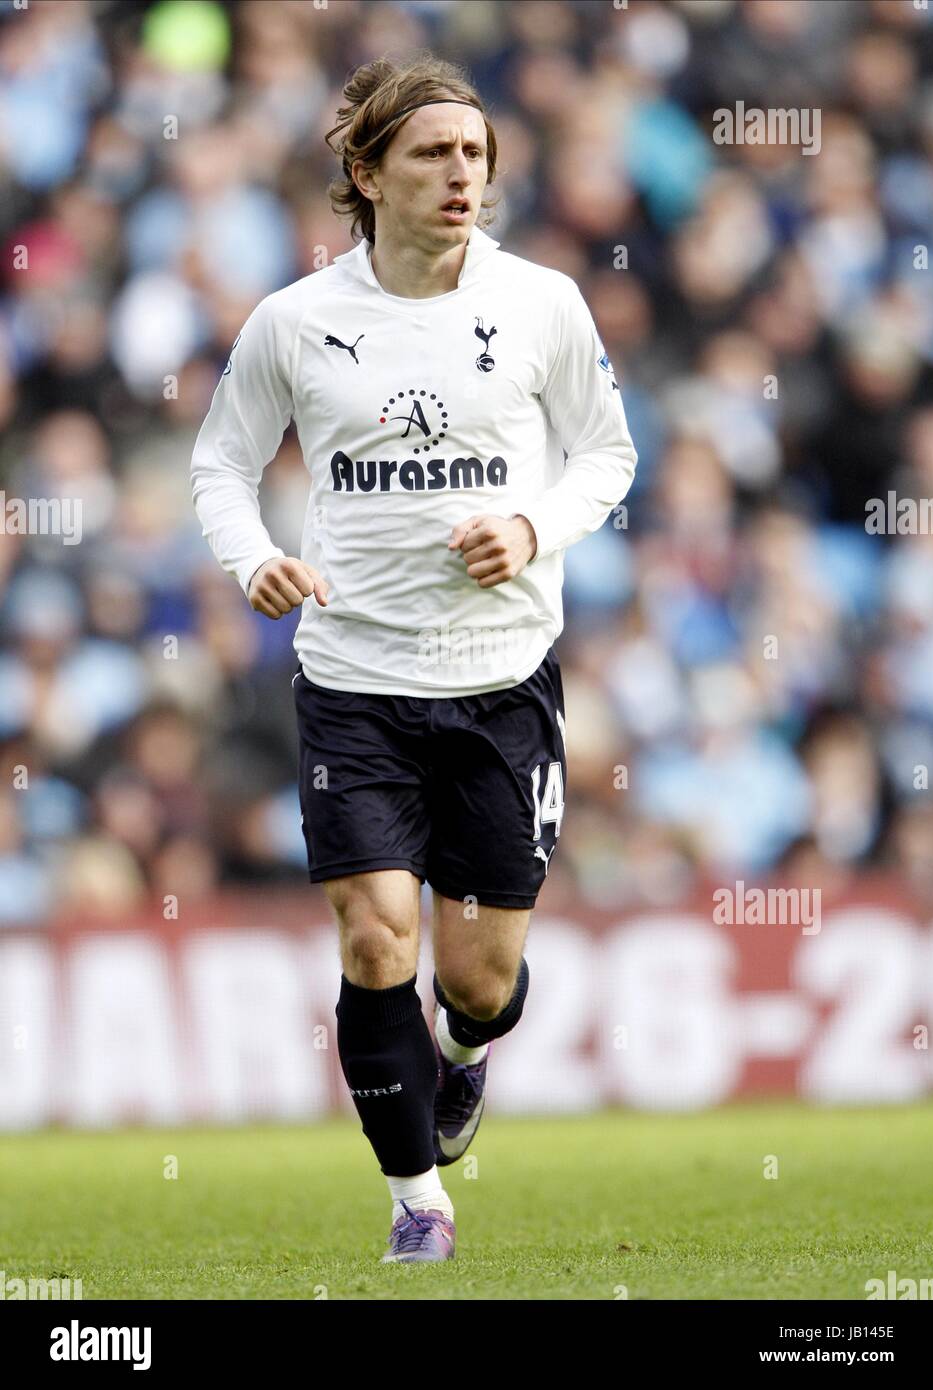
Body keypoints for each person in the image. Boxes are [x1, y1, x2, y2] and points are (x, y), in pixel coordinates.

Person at [190, 53, 637, 1264]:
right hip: (354, 685)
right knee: (376, 939)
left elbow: (606, 455)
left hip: (501, 680)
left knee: (479, 976)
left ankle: (463, 1051)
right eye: (434, 152)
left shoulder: (542, 302)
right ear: (366, 171)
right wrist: (254, 560)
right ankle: (417, 1205)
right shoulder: (295, 321)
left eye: (476, 154)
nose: (462, 174)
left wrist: (533, 524)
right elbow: (221, 463)